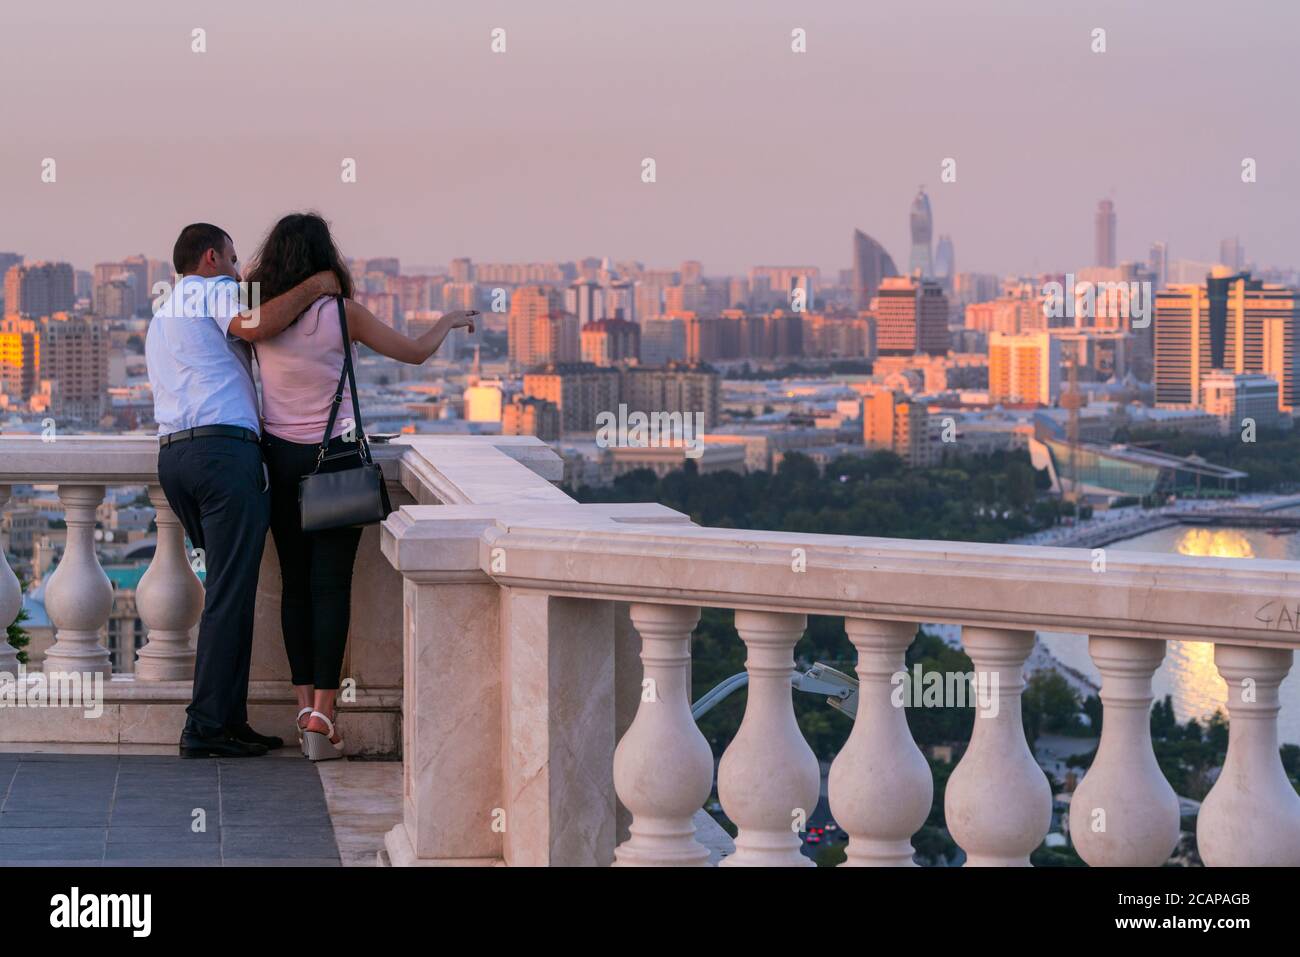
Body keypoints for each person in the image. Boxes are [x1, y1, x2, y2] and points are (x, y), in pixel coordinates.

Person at [244, 212, 476, 761]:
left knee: (295, 589)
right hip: (338, 461)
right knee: (331, 588)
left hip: (276, 461)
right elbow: (415, 352)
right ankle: (325, 713)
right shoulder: (341, 314)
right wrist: (446, 320)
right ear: (325, 260)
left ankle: (305, 710)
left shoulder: (258, 318)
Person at [146, 223, 341, 758]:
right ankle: (206, 727)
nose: (240, 271)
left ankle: (229, 719)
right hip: (222, 456)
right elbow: (254, 326)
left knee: (226, 591)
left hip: (176, 458)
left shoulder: (164, 314)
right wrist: (317, 286)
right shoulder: (215, 289)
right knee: (229, 597)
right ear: (211, 257)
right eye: (233, 260)